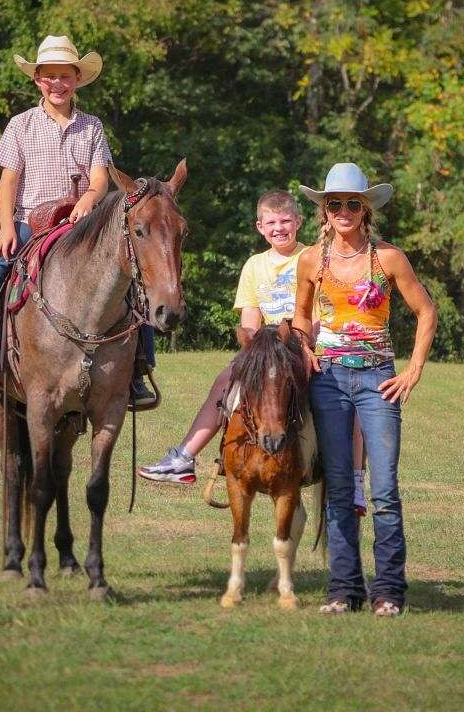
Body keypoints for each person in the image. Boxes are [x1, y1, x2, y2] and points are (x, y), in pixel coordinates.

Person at [138, 190, 369, 514]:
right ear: (260, 227)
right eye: (271, 222)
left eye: (285, 221)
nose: (279, 228)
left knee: (351, 396)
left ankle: (356, 481)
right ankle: (185, 457)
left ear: (299, 222)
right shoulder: (254, 266)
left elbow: (325, 311)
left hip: (312, 343)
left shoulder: (316, 256)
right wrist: (256, 345)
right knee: (225, 380)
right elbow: (250, 321)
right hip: (268, 348)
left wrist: (301, 340)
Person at [0, 34, 155, 400]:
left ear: (76, 80)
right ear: (37, 78)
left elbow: (101, 177)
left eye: (65, 76)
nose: (57, 83)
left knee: (134, 277)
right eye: (49, 76)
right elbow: (8, 182)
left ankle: (138, 369)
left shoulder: (92, 126)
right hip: (29, 221)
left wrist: (88, 198)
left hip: (81, 224)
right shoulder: (21, 125)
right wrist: (7, 227)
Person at [291, 163, 437, 618]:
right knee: (338, 487)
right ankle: (343, 590)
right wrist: (304, 346)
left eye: (353, 203)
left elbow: (426, 311)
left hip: (379, 381)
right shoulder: (311, 260)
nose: (344, 211)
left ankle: (389, 591)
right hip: (329, 380)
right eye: (335, 203)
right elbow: (298, 316)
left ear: (366, 208)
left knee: (385, 491)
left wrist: (412, 370)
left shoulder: (388, 258)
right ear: (324, 210)